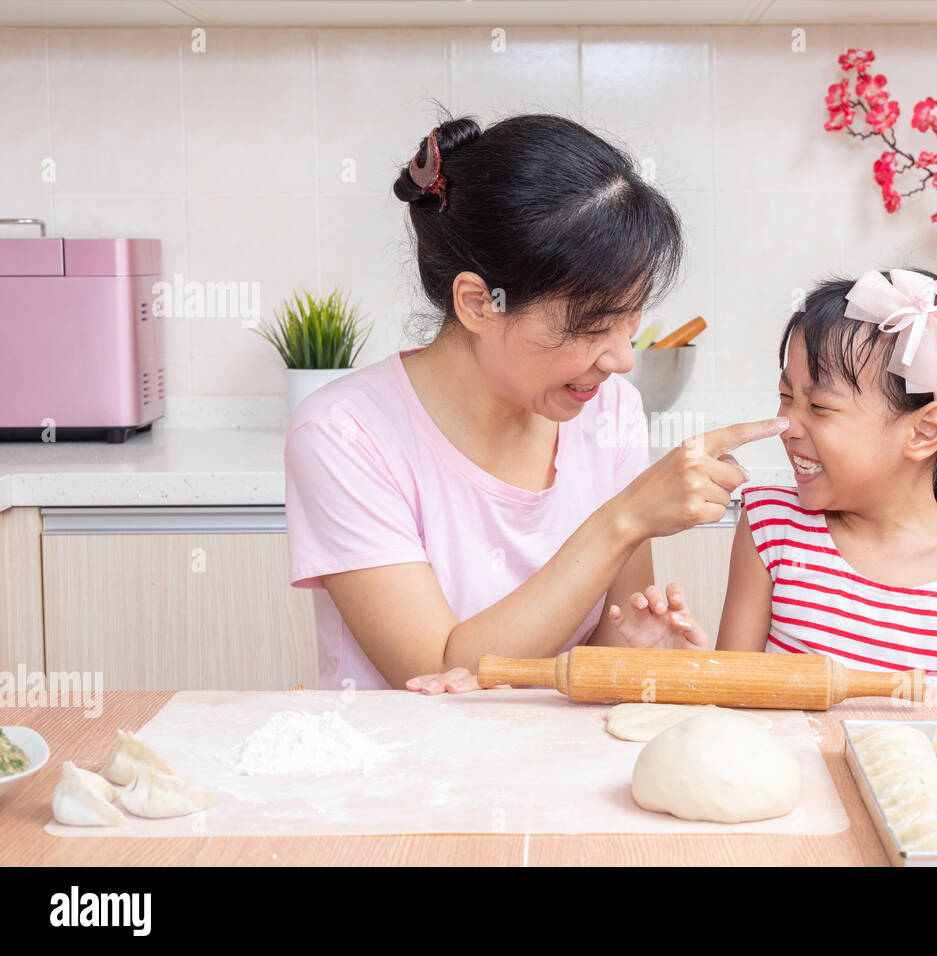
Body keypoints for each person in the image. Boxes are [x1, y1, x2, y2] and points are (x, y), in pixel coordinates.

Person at [284, 113, 783, 692]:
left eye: (631, 317)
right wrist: (623, 519)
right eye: (593, 323)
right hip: (403, 768)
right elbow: (435, 673)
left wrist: (647, 653)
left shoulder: (609, 408)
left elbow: (607, 648)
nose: (622, 357)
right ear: (477, 303)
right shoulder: (343, 434)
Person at [606, 268, 937, 687]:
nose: (788, 425)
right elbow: (737, 703)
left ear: (925, 430)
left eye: (821, 407)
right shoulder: (772, 526)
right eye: (786, 396)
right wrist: (688, 669)